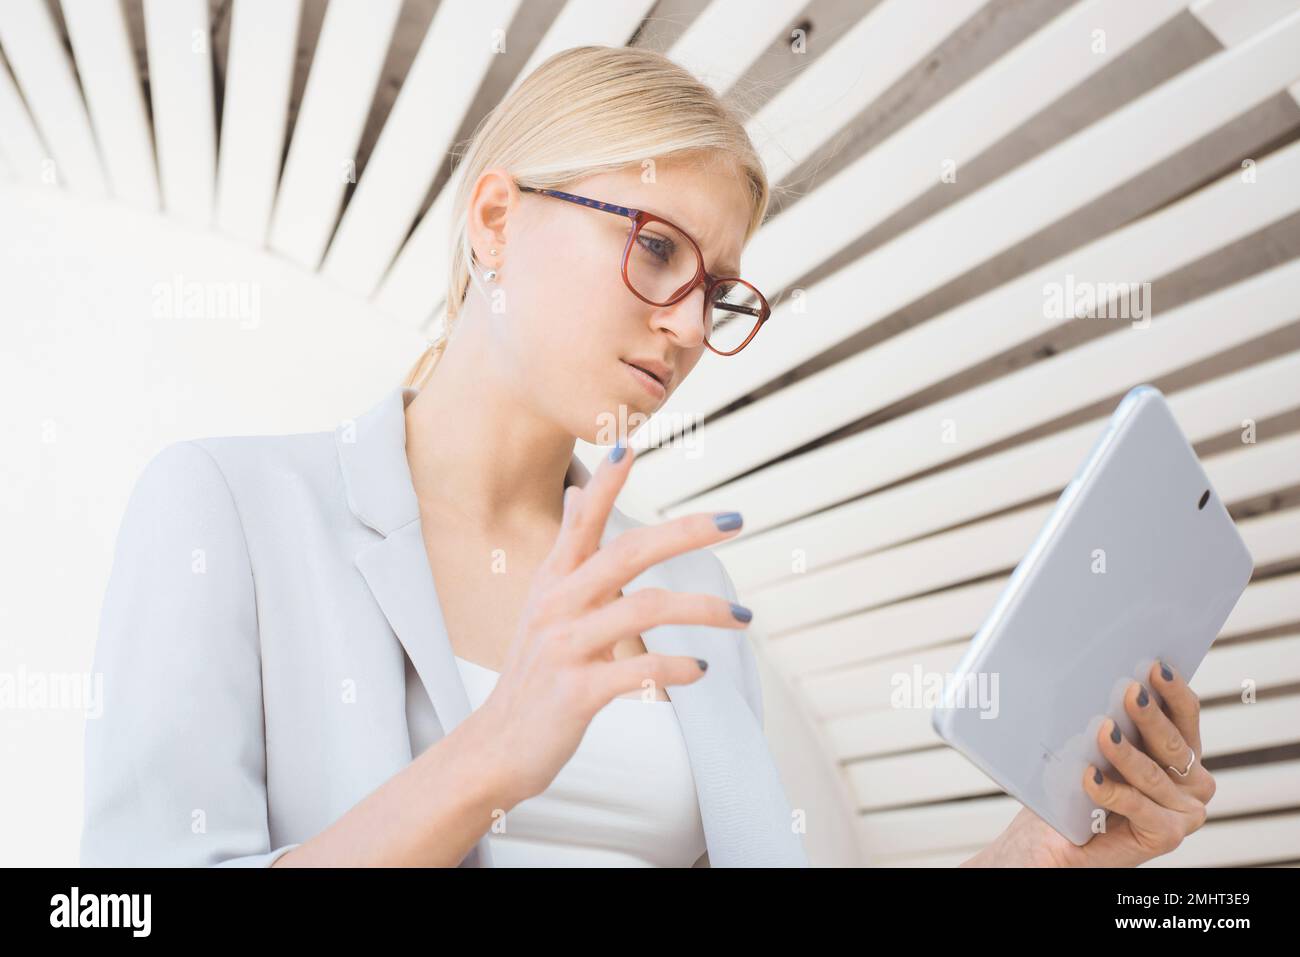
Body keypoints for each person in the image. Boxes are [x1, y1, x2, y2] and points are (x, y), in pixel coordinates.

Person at [80, 46, 1213, 868]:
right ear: (495, 221)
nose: (684, 324)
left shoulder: (686, 590)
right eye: (656, 247)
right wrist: (489, 757)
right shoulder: (227, 509)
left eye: (716, 290)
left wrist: (1053, 852)